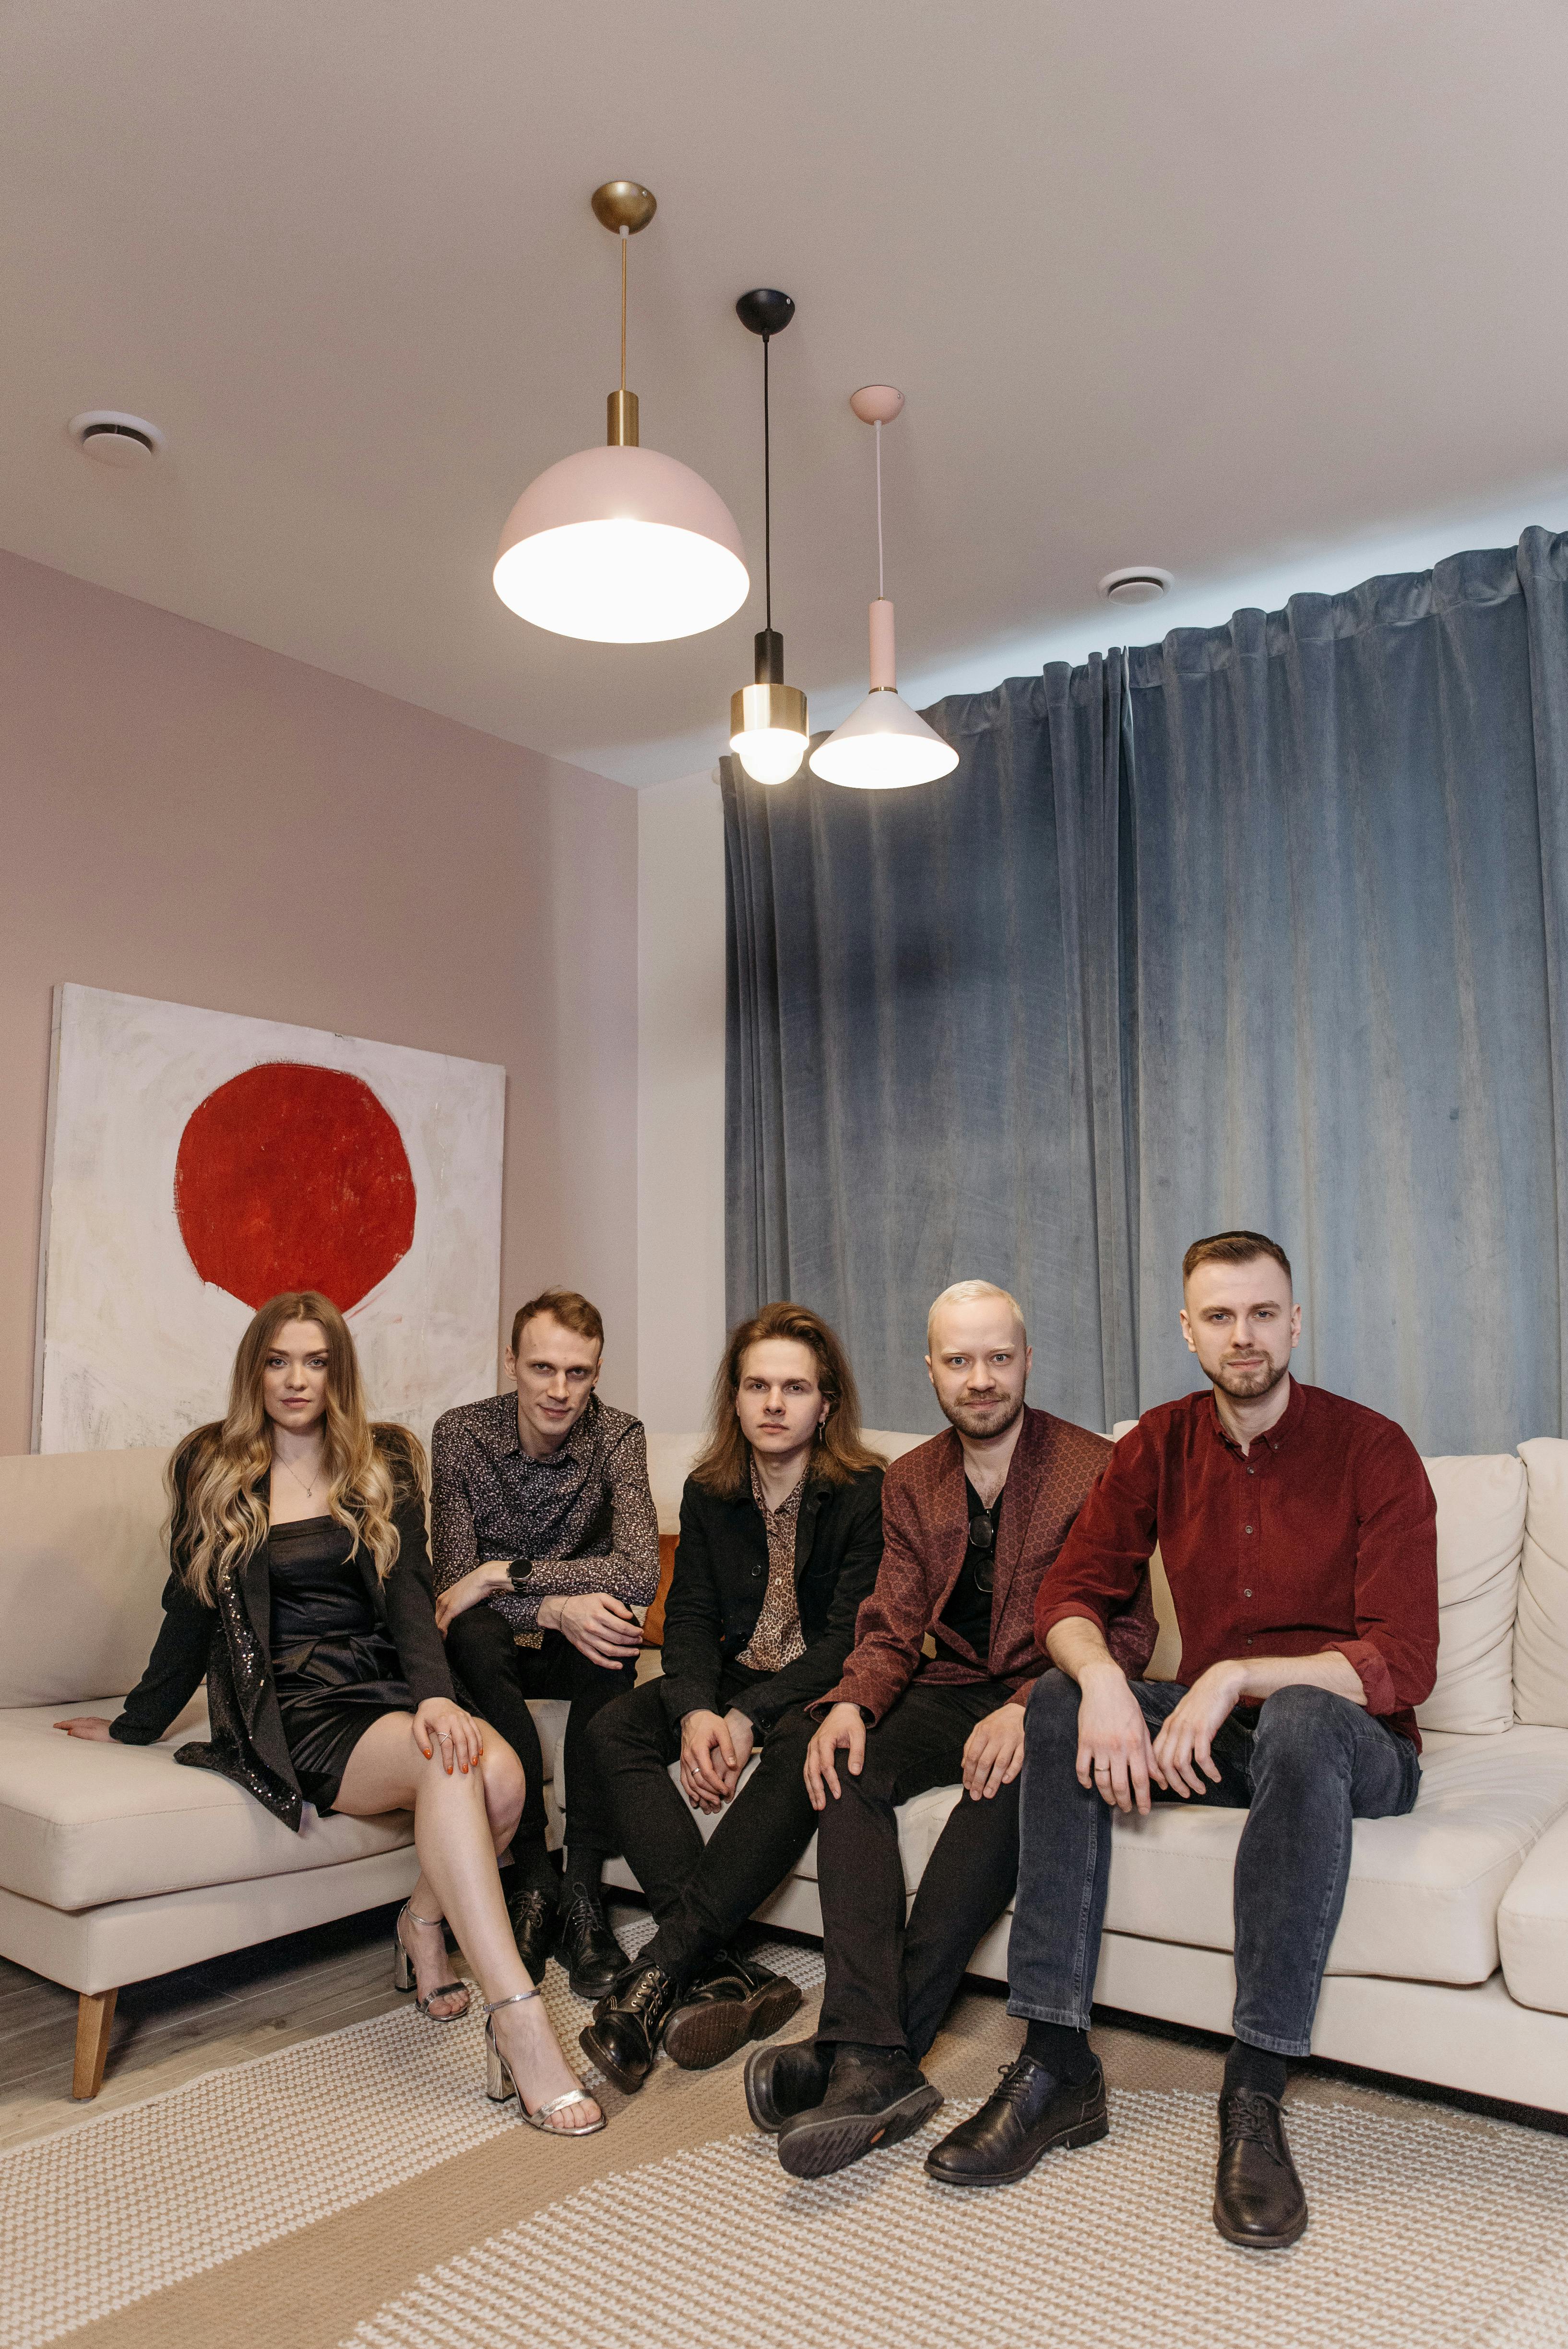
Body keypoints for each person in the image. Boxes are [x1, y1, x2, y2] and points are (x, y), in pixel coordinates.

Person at [924, 1231, 1438, 2248]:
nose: (1240, 1337)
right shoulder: (1156, 1443)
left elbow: (1399, 1660)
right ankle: (1056, 2060)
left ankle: (1251, 2088)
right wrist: (1106, 1679)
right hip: (1216, 1745)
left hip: (1354, 1747)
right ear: (1187, 1331)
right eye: (1217, 1317)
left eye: (1259, 1314)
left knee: (1293, 1715)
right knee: (1057, 1701)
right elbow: (1069, 1598)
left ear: (1293, 1322)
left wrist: (1235, 1675)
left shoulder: (1372, 1448)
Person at [56, 1290, 602, 2134]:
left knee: (503, 1773)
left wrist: (432, 1697)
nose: (296, 1379)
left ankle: (422, 1923)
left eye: (315, 1361)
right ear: (255, 1371)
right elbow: (190, 1607)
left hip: (380, 1685)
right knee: (455, 1763)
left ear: (338, 1371)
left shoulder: (382, 1459)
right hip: (296, 1706)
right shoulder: (213, 1463)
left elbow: (413, 1594)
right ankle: (520, 2018)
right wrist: (136, 1721)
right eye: (278, 1361)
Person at [749, 1280, 1154, 2180]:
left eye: (999, 1359)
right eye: (961, 1361)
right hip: (951, 1683)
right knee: (843, 1763)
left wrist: (1029, 1708)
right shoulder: (911, 1479)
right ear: (930, 1367)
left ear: (1029, 1363)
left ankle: (868, 2057)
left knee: (996, 1794)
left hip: (1047, 1698)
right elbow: (892, 1626)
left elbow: (1129, 1630)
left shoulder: (1096, 1468)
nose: (981, 1380)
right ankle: (872, 2052)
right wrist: (850, 1701)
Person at [581, 1302, 885, 2091]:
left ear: (829, 1404)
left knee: (800, 1754)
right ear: (736, 1398)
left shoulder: (863, 1492)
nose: (775, 1404)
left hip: (814, 1688)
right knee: (615, 1725)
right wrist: (695, 1711)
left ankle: (660, 1972)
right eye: (758, 1386)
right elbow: (689, 1618)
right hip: (731, 1678)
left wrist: (750, 1717)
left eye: (795, 1387)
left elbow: (848, 1641)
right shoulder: (710, 1491)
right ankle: (732, 1976)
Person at [430, 1289, 658, 1999]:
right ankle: (533, 1879)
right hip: (489, 1647)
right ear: (511, 1364)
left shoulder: (619, 1436)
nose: (560, 1392)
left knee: (614, 1623)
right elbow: (452, 1589)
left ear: (596, 1373)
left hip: (567, 1640)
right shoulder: (460, 1434)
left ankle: (584, 1890)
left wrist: (518, 1578)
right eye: (542, 1369)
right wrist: (544, 1602)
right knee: (473, 1625)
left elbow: (640, 1570)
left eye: (579, 1374)